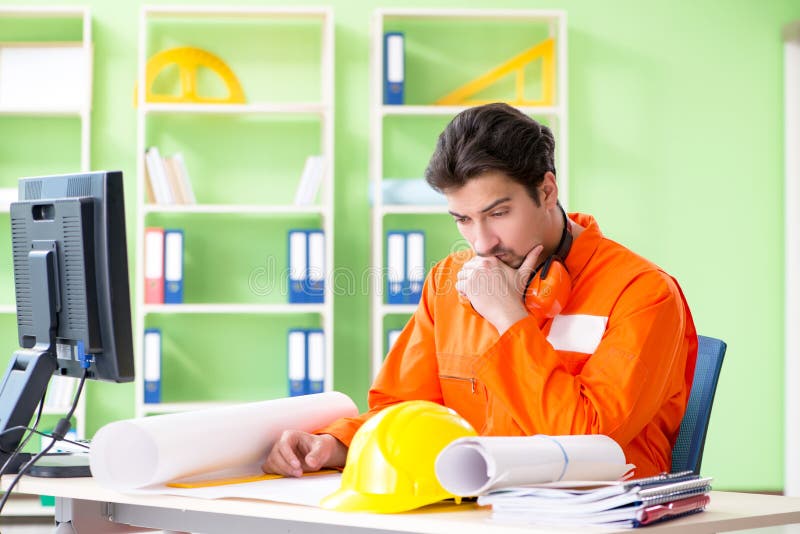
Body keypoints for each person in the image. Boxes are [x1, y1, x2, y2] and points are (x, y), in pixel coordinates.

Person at [262, 102, 698, 478]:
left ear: (547, 190)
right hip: (476, 512)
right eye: (463, 219)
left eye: (499, 212)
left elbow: (586, 441)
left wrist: (509, 318)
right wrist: (335, 445)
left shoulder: (643, 293)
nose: (482, 242)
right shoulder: (448, 282)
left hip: (593, 518)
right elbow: (405, 411)